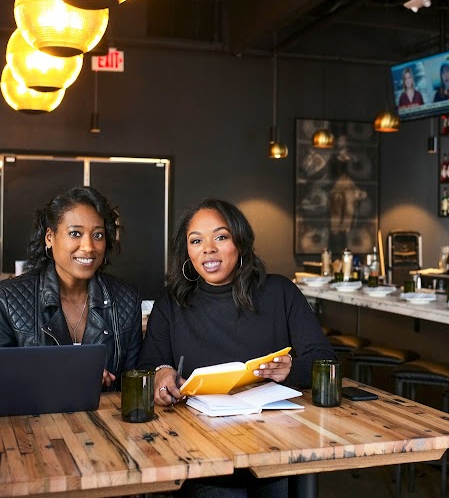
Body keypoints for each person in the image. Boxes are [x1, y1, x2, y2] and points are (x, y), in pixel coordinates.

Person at [138, 198, 335, 498]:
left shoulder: (279, 292)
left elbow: (325, 360)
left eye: (221, 236)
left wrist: (291, 370)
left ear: (240, 243)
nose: (208, 248)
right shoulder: (170, 302)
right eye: (196, 240)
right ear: (187, 251)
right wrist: (161, 374)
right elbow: (148, 364)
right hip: (201, 449)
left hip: (274, 444)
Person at [0, 186, 143, 390]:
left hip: (105, 419)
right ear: (49, 237)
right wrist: (65, 374)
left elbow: (135, 382)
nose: (89, 246)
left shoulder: (126, 299)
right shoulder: (7, 299)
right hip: (35, 420)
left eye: (98, 235)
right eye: (75, 233)